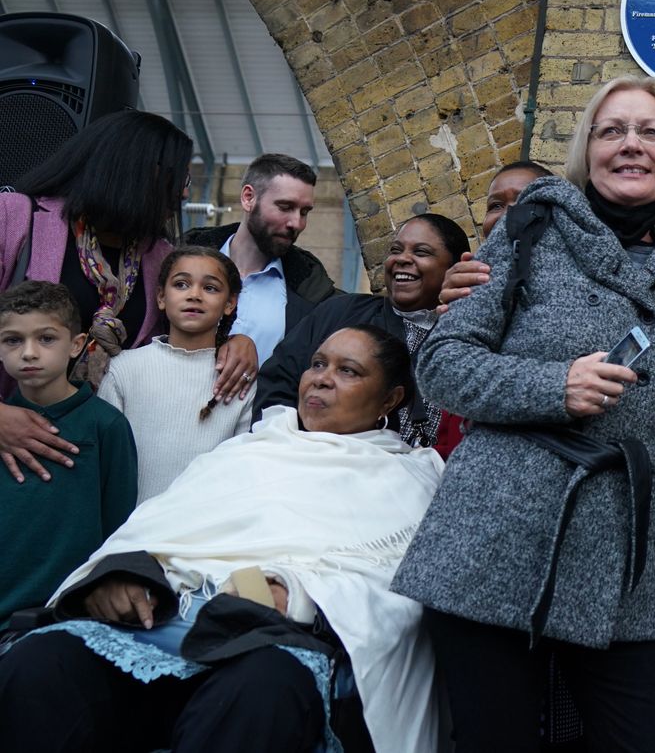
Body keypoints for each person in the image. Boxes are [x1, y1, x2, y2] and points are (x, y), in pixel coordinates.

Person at [391, 74, 655, 752]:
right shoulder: (530, 230)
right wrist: (555, 386)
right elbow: (442, 365)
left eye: (650, 131)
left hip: (630, 549)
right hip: (496, 532)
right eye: (611, 130)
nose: (631, 145)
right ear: (585, 150)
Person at [0, 326, 443, 753]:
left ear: (391, 398)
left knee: (258, 691)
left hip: (272, 637)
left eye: (348, 371)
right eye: (318, 364)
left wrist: (300, 594)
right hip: (164, 616)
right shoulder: (249, 449)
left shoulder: (408, 475)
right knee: (44, 662)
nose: (322, 378)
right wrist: (119, 577)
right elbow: (157, 528)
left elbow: (399, 584)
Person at [0, 111, 254, 482]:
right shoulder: (15, 218)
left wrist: (237, 341)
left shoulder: (161, 260)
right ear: (137, 168)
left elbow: (174, 348)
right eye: (180, 176)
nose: (184, 192)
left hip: (85, 463)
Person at [253, 212, 470, 449]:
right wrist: (299, 450)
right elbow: (278, 383)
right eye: (396, 250)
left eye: (421, 252)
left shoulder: (468, 335)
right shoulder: (340, 313)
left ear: (455, 267)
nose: (402, 259)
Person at [0, 281, 135, 629]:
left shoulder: (106, 425)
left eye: (46, 339)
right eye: (13, 340)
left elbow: (119, 525)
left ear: (77, 345)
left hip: (67, 615)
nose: (29, 352)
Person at [98, 247, 254, 502]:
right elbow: (102, 462)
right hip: (129, 532)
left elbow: (239, 474)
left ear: (229, 303)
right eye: (181, 284)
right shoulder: (125, 369)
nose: (194, 295)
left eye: (210, 288)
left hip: (202, 533)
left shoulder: (237, 378)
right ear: (161, 297)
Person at [183, 153, 337, 362]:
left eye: (304, 212)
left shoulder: (310, 292)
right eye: (285, 207)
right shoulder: (178, 262)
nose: (297, 223)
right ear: (248, 198)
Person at [433, 159, 557, 315]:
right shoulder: (473, 281)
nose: (507, 215)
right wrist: (457, 309)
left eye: (524, 201)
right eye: (496, 206)